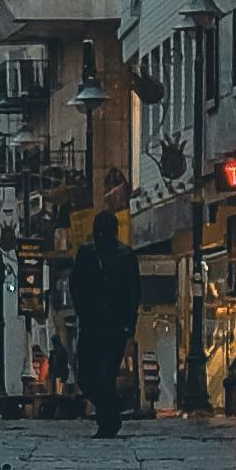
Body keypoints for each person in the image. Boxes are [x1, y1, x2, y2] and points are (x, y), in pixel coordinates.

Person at [59, 182, 141, 441]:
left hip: (115, 326)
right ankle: (112, 409)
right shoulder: (86, 254)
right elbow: (76, 285)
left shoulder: (125, 256)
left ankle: (108, 423)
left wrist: (129, 323)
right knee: (86, 376)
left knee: (105, 375)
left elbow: (133, 292)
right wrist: (84, 311)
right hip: (92, 323)